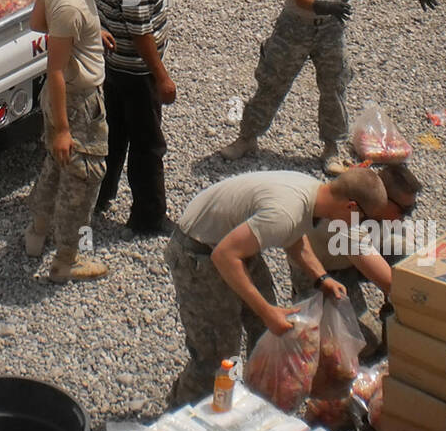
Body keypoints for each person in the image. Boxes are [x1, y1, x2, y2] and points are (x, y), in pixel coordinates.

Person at [218, 0, 440, 175]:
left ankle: (332, 148)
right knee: (273, 83)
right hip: (295, 27)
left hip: (330, 29)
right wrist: (329, 6)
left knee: (334, 87)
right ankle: (247, 138)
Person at [163, 166, 389, 407]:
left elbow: (294, 236)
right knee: (219, 357)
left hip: (232, 246)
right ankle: (178, 418)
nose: (362, 226)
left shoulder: (314, 195)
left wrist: (322, 278)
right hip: (198, 253)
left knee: (266, 332)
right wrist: (268, 312)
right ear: (351, 207)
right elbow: (224, 257)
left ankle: (253, 400)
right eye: (364, 219)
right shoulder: (286, 213)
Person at [25, 0, 123, 283]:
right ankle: (66, 261)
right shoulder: (70, 3)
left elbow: (38, 23)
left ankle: (36, 234)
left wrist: (89, 32)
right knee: (82, 179)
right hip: (77, 101)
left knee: (54, 161)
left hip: (57, 99)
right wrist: (66, 129)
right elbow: (54, 69)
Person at [94, 0, 176, 237]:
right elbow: (141, 34)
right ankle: (148, 217)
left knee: (114, 135)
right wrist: (162, 77)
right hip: (138, 73)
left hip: (114, 67)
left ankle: (98, 196)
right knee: (147, 146)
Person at [287, 162, 422, 361]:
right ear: (384, 200)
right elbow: (392, 284)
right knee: (365, 344)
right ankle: (307, 315)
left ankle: (395, 321)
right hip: (321, 275)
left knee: (407, 254)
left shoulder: (374, 207)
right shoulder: (348, 223)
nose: (407, 217)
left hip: (351, 262)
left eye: (412, 208)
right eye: (404, 210)